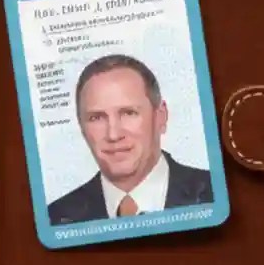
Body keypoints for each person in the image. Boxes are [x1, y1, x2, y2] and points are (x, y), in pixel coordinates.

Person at [47, 54, 213, 225]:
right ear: (81, 126)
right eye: (96, 118)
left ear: (161, 117)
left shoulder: (215, 193)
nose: (113, 135)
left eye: (128, 113)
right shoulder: (55, 218)